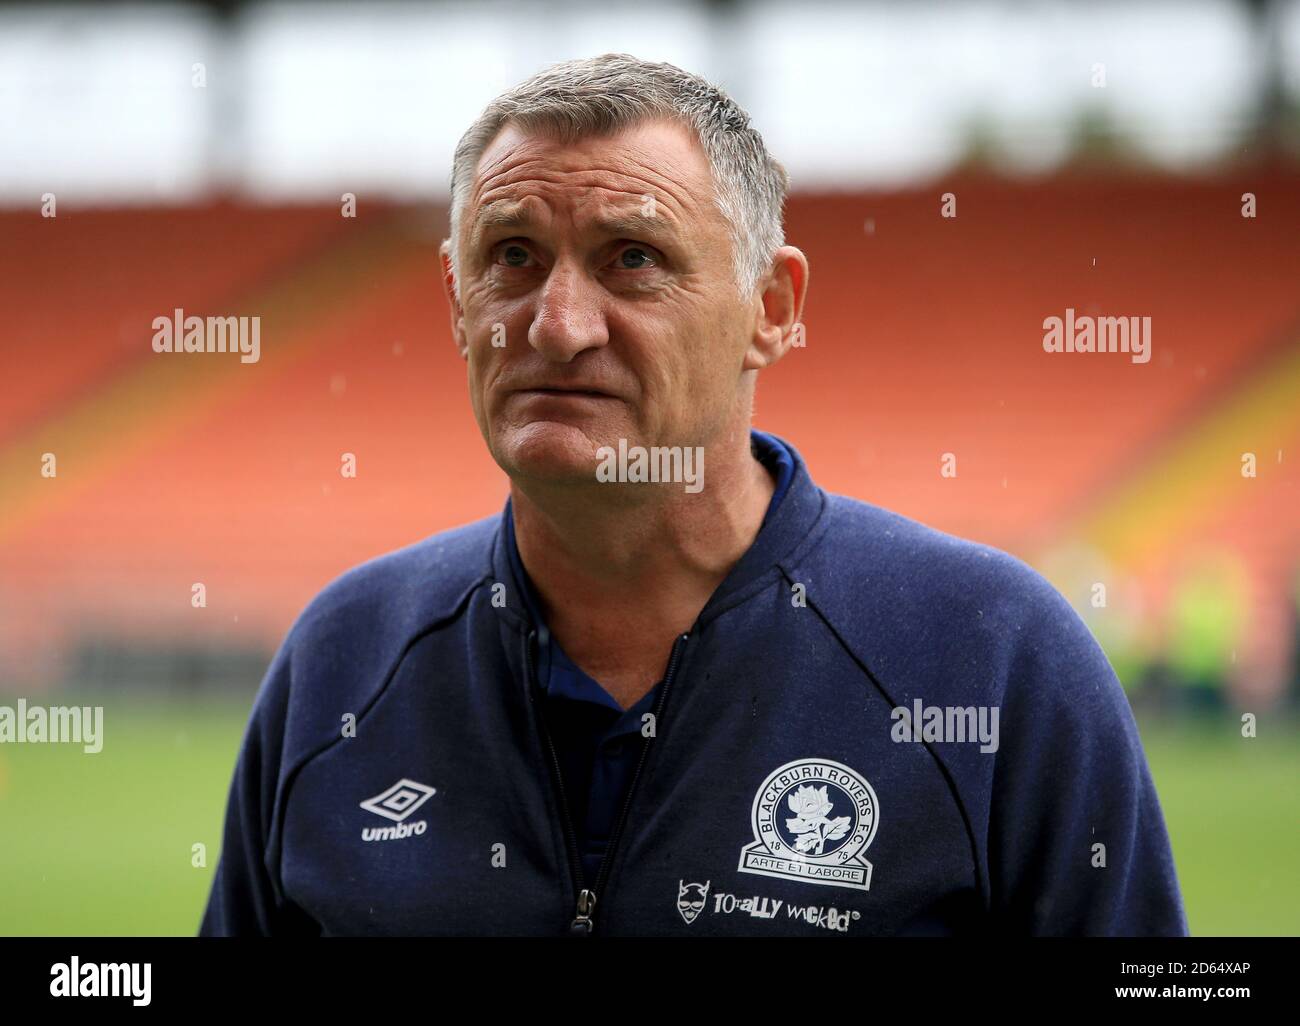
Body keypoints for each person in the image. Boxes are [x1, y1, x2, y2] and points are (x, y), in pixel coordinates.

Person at [200, 53, 1187, 936]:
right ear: (456, 306)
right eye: (511, 257)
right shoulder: (341, 663)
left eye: (633, 258)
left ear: (771, 309)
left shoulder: (992, 657)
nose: (556, 325)